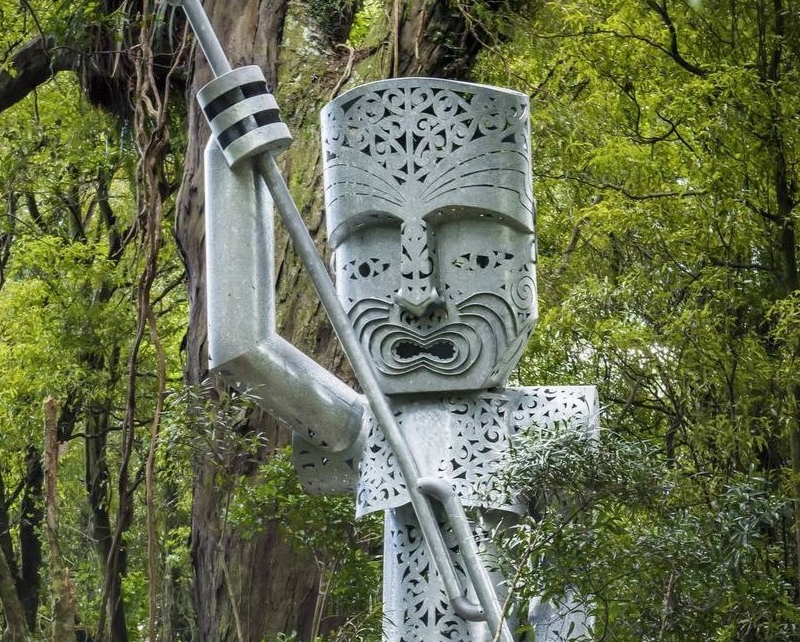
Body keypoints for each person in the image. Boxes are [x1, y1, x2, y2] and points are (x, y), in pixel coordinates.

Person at [206, 76, 596, 642]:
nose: (418, 292)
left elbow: (568, 609)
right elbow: (246, 351)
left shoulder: (547, 425)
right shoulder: (367, 426)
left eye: (464, 246)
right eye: (374, 250)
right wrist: (232, 162)